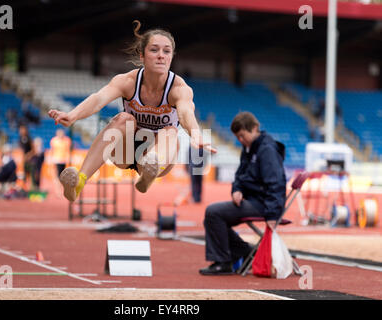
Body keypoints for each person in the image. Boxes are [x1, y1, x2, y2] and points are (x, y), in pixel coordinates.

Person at [48, 20, 216, 202]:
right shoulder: (127, 81)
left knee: (170, 131)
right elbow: (98, 99)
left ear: (171, 57)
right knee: (123, 118)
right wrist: (72, 116)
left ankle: (148, 173)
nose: (161, 56)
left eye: (166, 51)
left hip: (158, 155)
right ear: (142, 56)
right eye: (154, 50)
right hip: (126, 152)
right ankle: (79, 182)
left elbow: (185, 113)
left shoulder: (179, 88)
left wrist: (196, 134)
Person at [199, 111, 286, 275]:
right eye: (237, 137)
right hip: (253, 200)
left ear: (254, 129)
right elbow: (239, 176)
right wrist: (237, 190)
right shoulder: (249, 149)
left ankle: (223, 262)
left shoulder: (266, 150)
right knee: (212, 217)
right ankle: (246, 251)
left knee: (213, 213)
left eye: (242, 135)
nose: (240, 140)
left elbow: (276, 184)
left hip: (264, 205)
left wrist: (273, 215)